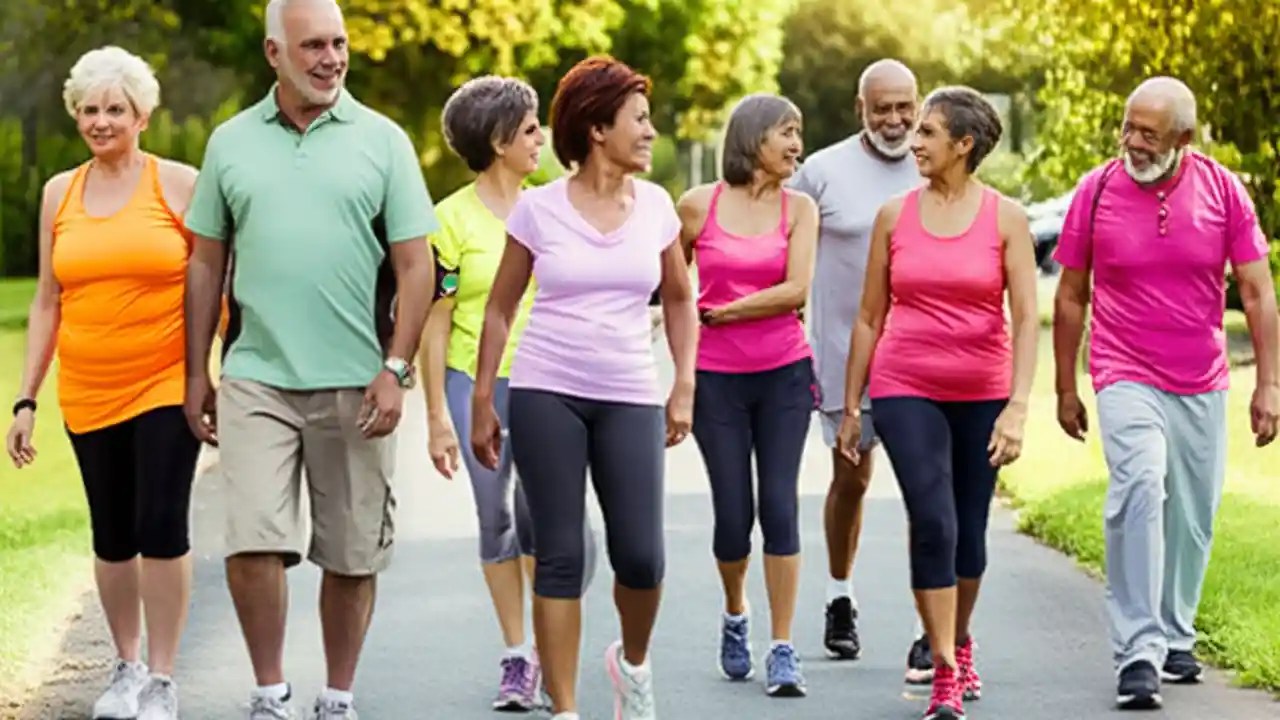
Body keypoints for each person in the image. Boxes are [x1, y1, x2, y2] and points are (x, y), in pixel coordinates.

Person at [181, 1, 438, 718]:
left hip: (358, 383)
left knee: (353, 555)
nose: (331, 58)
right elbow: (205, 264)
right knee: (252, 543)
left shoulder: (382, 141)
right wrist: (193, 370)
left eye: (339, 43)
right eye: (313, 46)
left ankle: (337, 696)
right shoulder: (231, 143)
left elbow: (417, 268)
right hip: (256, 375)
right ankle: (269, 692)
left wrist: (397, 368)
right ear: (274, 54)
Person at [470, 55, 698, 720]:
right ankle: (566, 709)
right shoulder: (539, 210)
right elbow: (498, 308)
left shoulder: (656, 208)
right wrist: (484, 398)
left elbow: (681, 300)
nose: (651, 132)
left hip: (628, 391)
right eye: (640, 119)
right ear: (598, 129)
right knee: (561, 555)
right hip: (547, 392)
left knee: (642, 558)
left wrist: (683, 383)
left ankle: (631, 662)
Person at [1051, 76, 1278, 711]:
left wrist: (1269, 383)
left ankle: (1177, 631)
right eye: (1128, 127)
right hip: (1123, 368)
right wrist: (1066, 386)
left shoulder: (1223, 191)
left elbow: (1257, 293)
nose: (1132, 141)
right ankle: (1138, 651)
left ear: (1184, 137)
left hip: (1201, 375)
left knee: (1194, 514)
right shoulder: (1096, 191)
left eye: (1148, 133)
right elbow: (1071, 295)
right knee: (1140, 487)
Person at [3, 45, 199, 720]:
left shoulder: (179, 185)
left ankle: (163, 680)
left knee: (160, 524)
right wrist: (26, 397)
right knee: (112, 532)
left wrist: (212, 374)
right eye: (88, 109)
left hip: (166, 379)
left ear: (142, 115)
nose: (100, 120)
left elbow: (215, 287)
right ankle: (125, 667)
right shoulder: (61, 191)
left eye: (115, 108)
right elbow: (47, 302)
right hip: (87, 386)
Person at [837, 86, 1038, 720]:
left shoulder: (1006, 219)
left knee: (970, 532)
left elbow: (1027, 318)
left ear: (963, 145)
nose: (914, 142)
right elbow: (870, 316)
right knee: (934, 520)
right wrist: (851, 405)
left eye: (927, 133)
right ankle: (945, 667)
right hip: (905, 386)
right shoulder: (895, 216)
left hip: (983, 389)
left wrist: (1019, 406)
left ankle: (959, 635)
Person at [421, 74, 594, 712]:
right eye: (528, 130)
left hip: (553, 380)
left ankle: (554, 641)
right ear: (498, 142)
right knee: (495, 517)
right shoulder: (447, 220)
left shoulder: (555, 207)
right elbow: (435, 322)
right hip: (477, 382)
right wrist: (438, 415)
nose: (541, 139)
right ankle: (519, 655)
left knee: (556, 525)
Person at [788, 57, 932, 677]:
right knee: (852, 479)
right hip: (845, 357)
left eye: (906, 107)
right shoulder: (821, 172)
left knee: (927, 496)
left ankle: (935, 625)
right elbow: (784, 250)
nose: (895, 121)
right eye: (883, 109)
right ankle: (839, 597)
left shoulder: (936, 165)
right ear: (860, 109)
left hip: (924, 359)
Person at [675, 93, 818, 697]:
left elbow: (796, 290)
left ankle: (783, 647)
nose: (796, 144)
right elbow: (673, 288)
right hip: (717, 383)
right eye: (786, 132)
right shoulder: (696, 206)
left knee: (780, 507)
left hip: (785, 373)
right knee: (734, 517)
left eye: (799, 134)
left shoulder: (800, 208)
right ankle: (737, 613)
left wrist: (724, 311)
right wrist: (674, 326)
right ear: (753, 136)